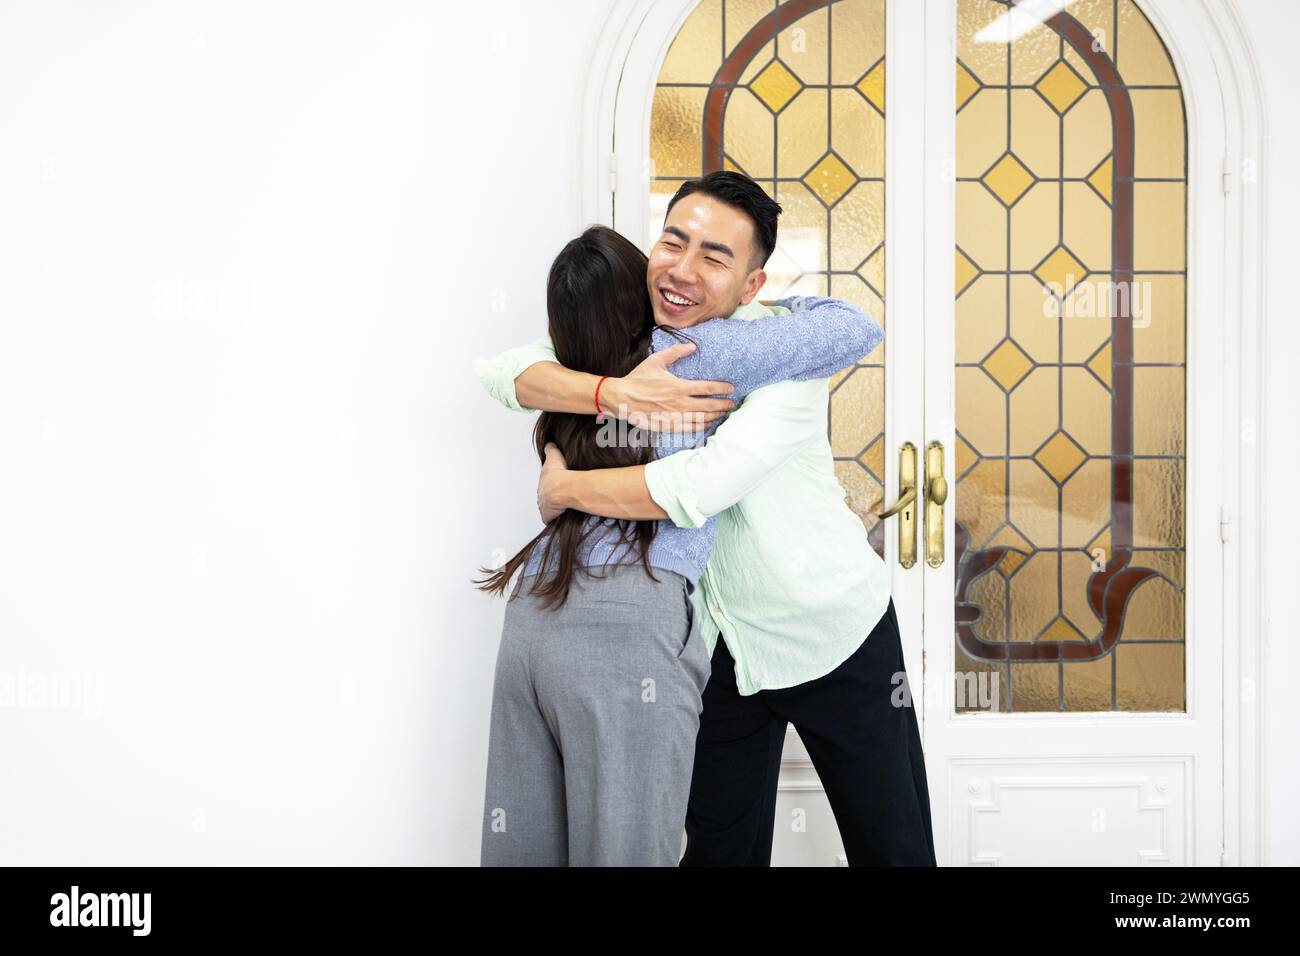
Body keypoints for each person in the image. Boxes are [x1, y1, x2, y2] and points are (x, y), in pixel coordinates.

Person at [476, 170, 938, 866]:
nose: (683, 270)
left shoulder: (785, 354)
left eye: (714, 256)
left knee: (893, 845)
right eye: (673, 241)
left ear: (751, 286)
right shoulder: (628, 339)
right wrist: (613, 391)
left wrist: (566, 487)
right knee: (720, 853)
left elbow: (700, 485)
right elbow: (507, 370)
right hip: (714, 644)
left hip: (831, 631)